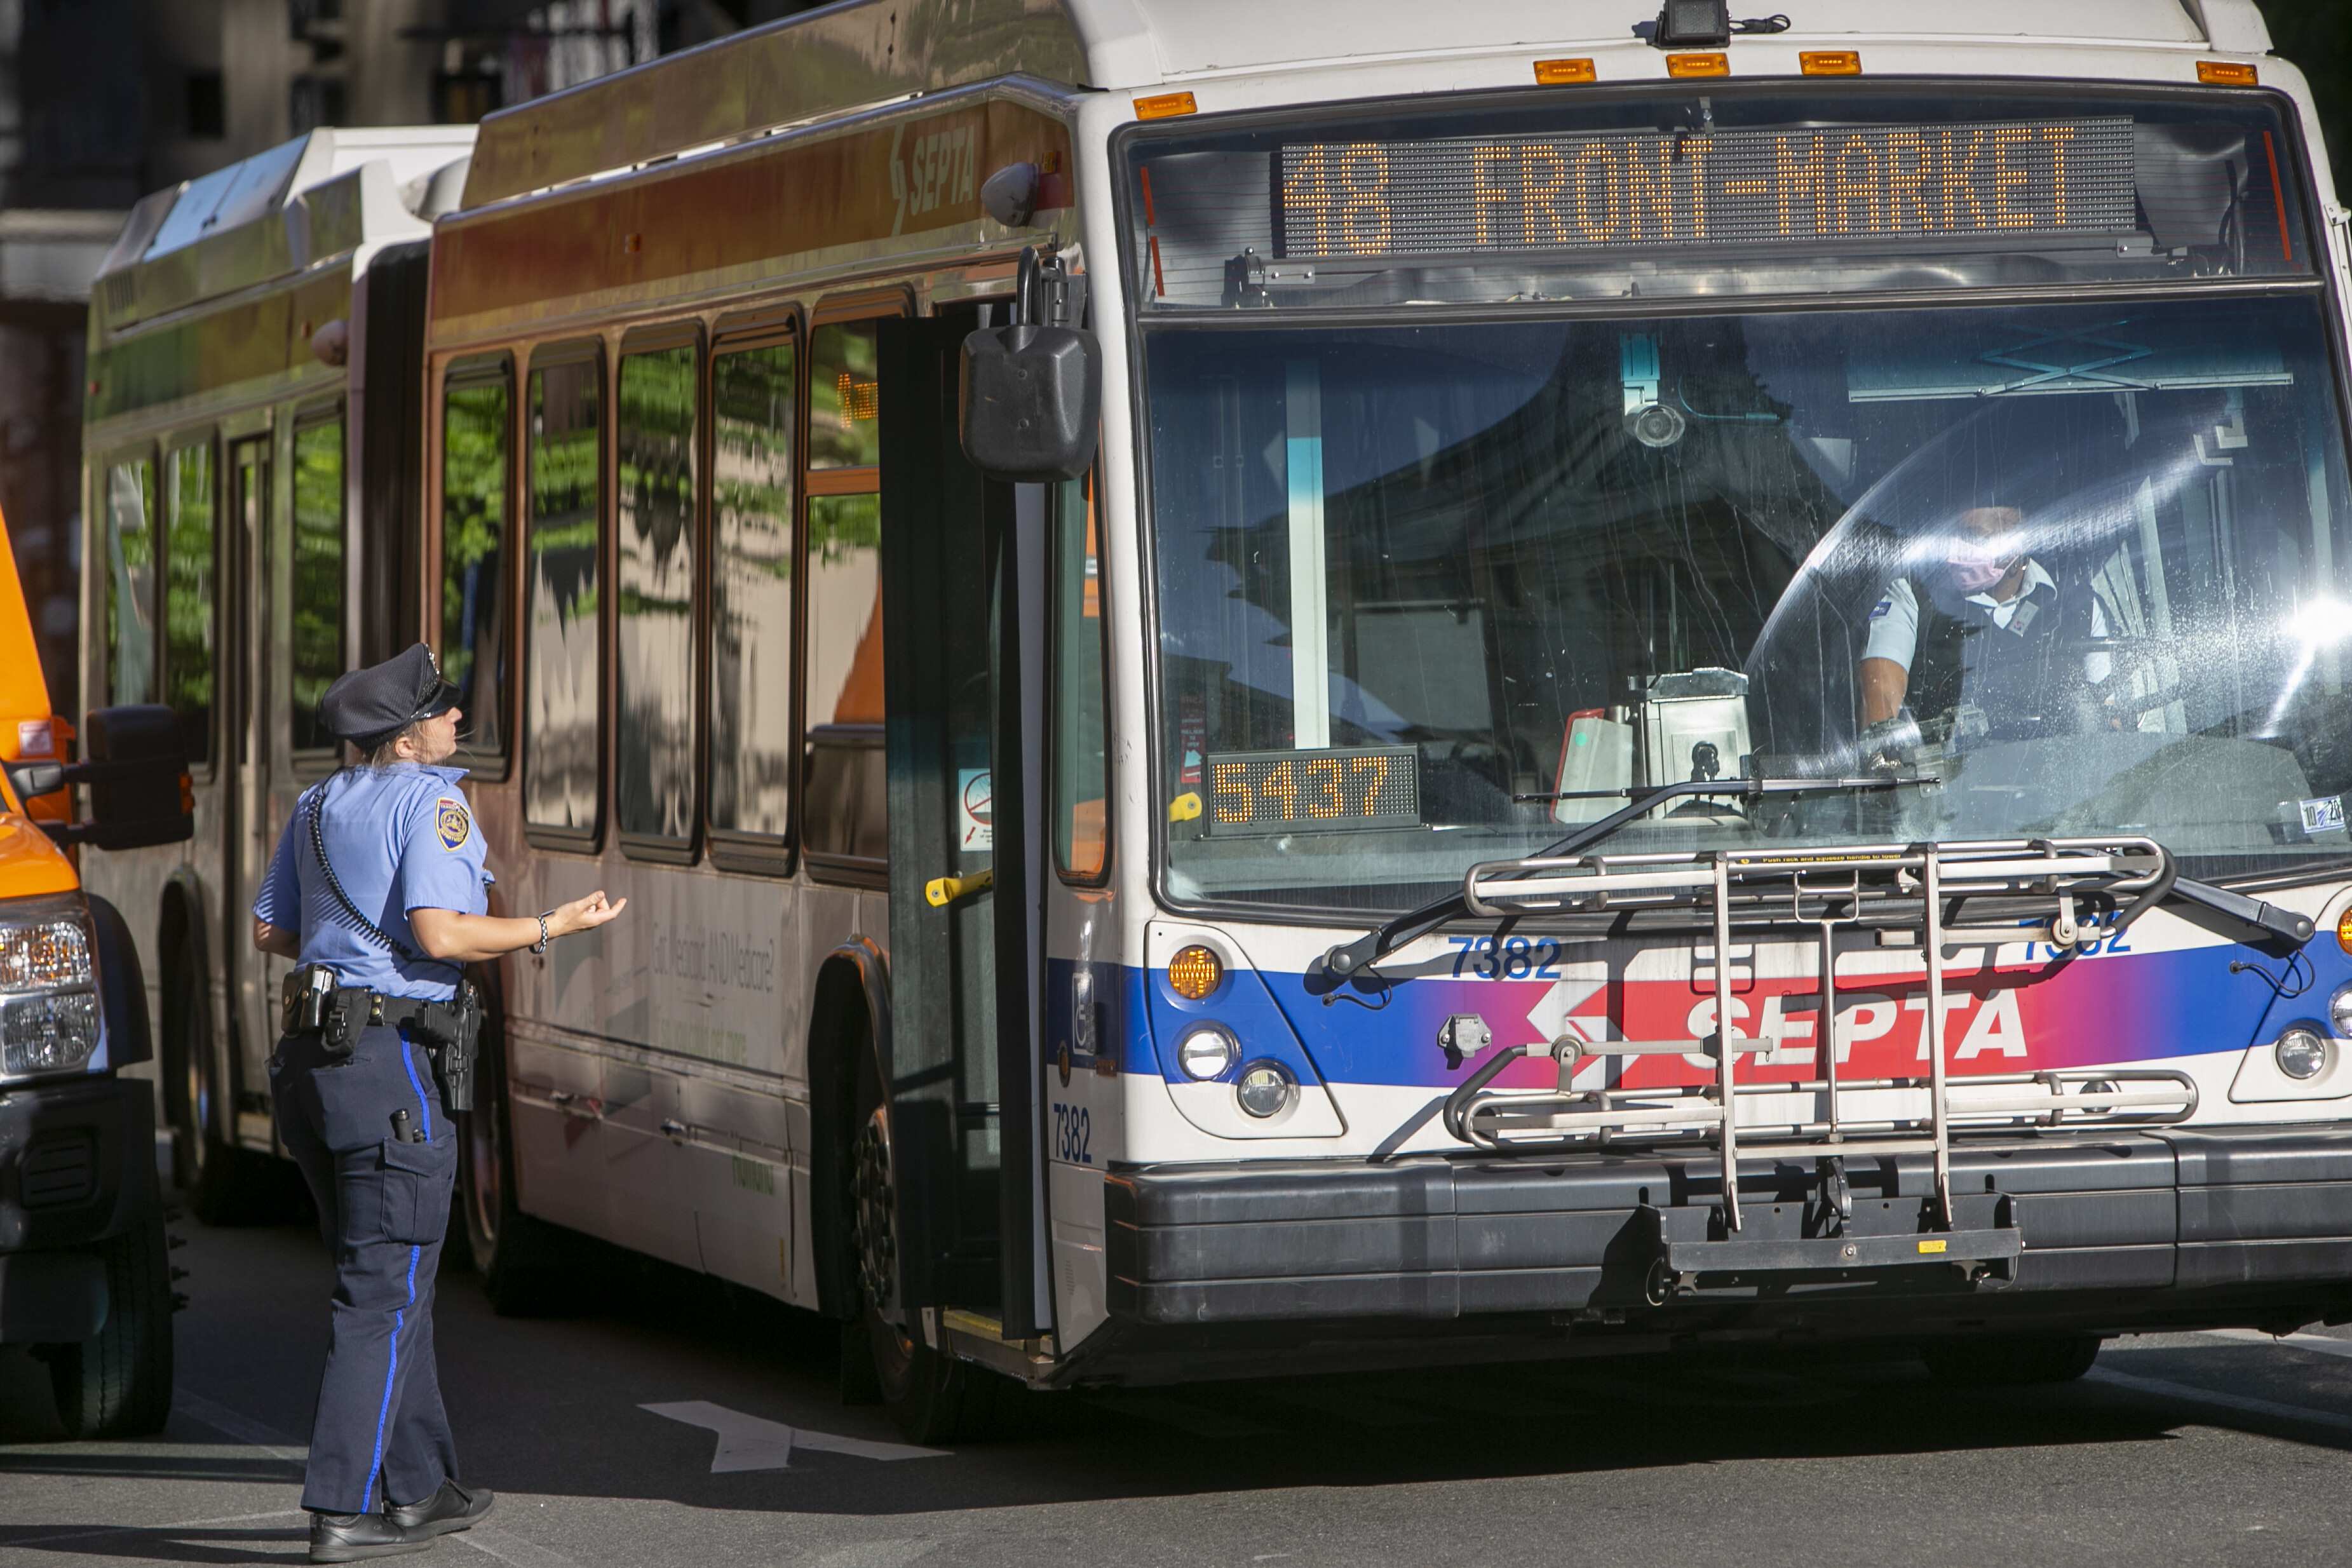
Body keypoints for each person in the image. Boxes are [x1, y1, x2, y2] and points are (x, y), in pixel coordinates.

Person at [253, 644, 625, 1564]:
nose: (460, 720)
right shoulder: (434, 801)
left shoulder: (316, 802)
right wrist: (552, 926)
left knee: (394, 1277)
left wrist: (346, 955)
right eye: (446, 711)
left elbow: (271, 928)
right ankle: (341, 1503)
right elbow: (442, 933)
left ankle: (420, 1487)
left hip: (309, 1065)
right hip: (391, 1072)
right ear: (411, 736)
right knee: (381, 1291)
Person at [1857, 503, 2114, 754]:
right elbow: (1881, 694)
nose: (1956, 550)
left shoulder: (2082, 606)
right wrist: (1880, 757)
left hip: (2067, 786)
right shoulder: (1912, 595)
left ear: (2020, 546)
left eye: (1973, 538)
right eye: (1955, 537)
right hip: (1947, 785)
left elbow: (2106, 709)